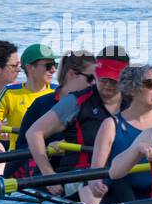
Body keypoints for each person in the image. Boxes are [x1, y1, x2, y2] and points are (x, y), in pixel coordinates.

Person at [25, 46, 129, 193]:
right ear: (96, 73)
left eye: (113, 80)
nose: (107, 84)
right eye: (103, 78)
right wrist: (49, 175)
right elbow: (34, 133)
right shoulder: (76, 101)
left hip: (118, 174)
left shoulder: (133, 103)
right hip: (78, 175)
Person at [86, 65, 152, 204]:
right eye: (150, 84)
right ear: (132, 89)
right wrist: (95, 184)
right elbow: (95, 172)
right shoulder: (110, 125)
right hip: (121, 196)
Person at [14, 50, 95, 178]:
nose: (95, 84)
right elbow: (23, 148)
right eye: (91, 78)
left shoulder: (94, 105)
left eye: (98, 79)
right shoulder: (42, 104)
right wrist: (48, 152)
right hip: (34, 170)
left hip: (74, 169)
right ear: (71, 74)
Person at [0, 42, 55, 175]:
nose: (53, 70)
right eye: (48, 66)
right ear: (30, 68)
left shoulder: (59, 92)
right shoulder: (9, 92)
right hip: (21, 157)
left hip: (53, 155)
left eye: (55, 65)